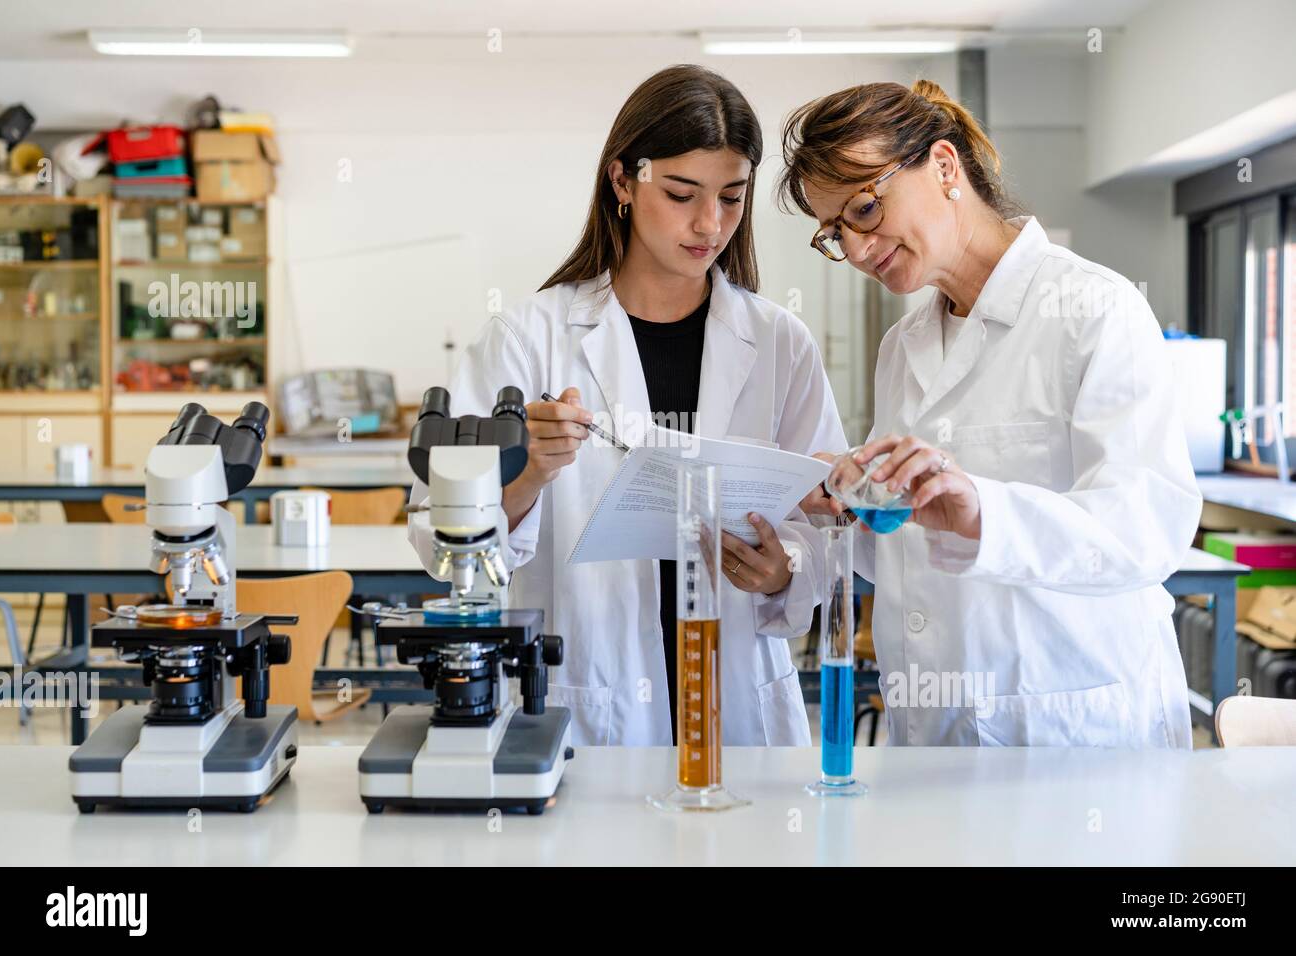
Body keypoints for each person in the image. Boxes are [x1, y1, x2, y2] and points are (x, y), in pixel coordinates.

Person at [409, 64, 846, 746]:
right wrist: (530, 475)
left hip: (737, 704)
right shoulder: (530, 339)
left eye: (732, 197)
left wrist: (785, 566)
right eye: (681, 194)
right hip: (591, 700)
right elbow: (438, 542)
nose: (710, 224)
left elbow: (825, 521)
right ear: (623, 180)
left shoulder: (778, 342)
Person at [780, 79, 1202, 747]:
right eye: (834, 234)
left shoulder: (1093, 310)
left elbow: (1147, 526)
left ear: (944, 167)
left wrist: (986, 510)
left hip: (1070, 733)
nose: (856, 251)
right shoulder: (903, 347)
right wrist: (850, 508)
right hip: (932, 727)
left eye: (863, 210)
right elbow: (913, 550)